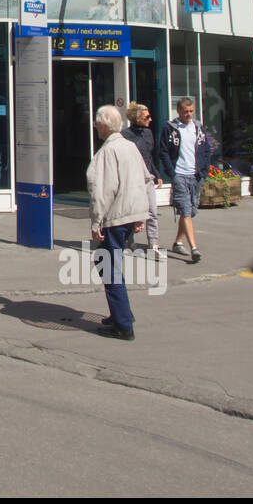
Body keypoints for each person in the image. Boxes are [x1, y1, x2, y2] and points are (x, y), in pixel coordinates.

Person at [86, 105, 149, 341]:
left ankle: (123, 325)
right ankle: (121, 314)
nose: (95, 127)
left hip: (117, 215)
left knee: (108, 265)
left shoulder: (107, 152)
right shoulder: (130, 146)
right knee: (108, 261)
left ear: (104, 126)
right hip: (131, 213)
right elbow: (145, 178)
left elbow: (102, 191)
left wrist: (95, 223)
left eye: (97, 123)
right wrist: (141, 215)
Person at [158, 97, 214, 264]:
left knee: (191, 211)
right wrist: (171, 173)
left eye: (191, 111)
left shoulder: (198, 127)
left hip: (195, 176)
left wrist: (204, 171)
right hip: (180, 175)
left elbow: (206, 149)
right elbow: (164, 151)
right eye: (186, 112)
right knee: (185, 211)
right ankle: (194, 249)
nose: (189, 114)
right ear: (179, 111)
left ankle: (178, 242)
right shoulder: (171, 129)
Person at [122, 102, 165, 259]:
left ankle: (153, 243)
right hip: (132, 179)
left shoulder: (148, 133)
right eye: (147, 117)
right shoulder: (125, 135)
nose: (150, 119)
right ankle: (129, 240)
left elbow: (149, 156)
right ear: (137, 118)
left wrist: (156, 173)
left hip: (147, 178)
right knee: (132, 213)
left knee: (152, 211)